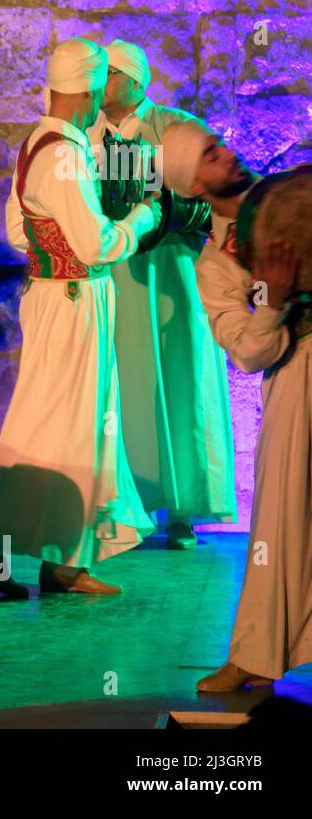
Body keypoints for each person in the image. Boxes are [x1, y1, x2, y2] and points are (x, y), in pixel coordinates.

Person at [0, 38, 161, 598]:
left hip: (53, 295)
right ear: (94, 89)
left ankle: (65, 560)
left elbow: (15, 228)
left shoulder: (35, 142)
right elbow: (98, 243)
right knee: (60, 423)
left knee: (70, 422)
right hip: (76, 298)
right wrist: (146, 217)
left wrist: (52, 249)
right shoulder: (66, 154)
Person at [158, 120, 311, 691]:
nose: (228, 155)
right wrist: (272, 295)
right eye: (210, 156)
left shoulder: (294, 195)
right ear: (193, 186)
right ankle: (255, 654)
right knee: (280, 519)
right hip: (296, 374)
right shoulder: (214, 265)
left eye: (219, 146)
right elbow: (249, 352)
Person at [88, 39, 236, 547]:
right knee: (122, 385)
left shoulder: (174, 127)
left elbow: (217, 193)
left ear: (133, 80)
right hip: (115, 274)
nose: (99, 84)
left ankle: (183, 508)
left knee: (178, 378)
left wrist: (160, 203)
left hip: (172, 273)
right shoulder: (84, 136)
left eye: (108, 74)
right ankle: (126, 502)